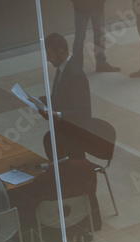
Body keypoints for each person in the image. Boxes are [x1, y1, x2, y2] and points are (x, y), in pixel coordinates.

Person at [40, 32, 94, 163]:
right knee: (49, 140)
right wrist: (40, 101)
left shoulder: (75, 75)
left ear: (60, 51)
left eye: (50, 55)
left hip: (74, 135)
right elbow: (62, 96)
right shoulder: (63, 68)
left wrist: (57, 114)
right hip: (65, 131)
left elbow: (83, 112)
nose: (48, 59)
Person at [71, 0, 120, 72]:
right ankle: (77, 68)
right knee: (79, 38)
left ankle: (101, 64)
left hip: (96, 6)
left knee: (100, 35)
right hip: (81, 8)